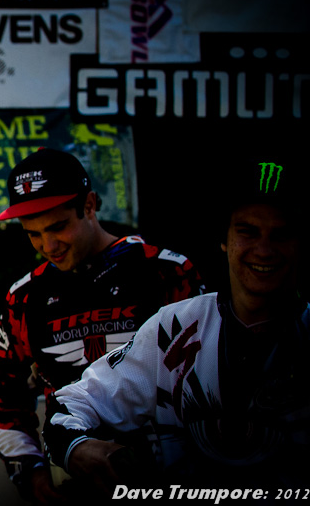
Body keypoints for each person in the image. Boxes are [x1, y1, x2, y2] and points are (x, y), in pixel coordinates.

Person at [43, 156, 309, 495]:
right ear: (224, 239)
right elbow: (69, 406)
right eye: (247, 231)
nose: (264, 249)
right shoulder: (174, 327)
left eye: (282, 234)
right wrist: (79, 448)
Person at [0, 148, 204, 503]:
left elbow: (215, 380)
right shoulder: (25, 297)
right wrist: (33, 476)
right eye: (33, 234)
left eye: (58, 226)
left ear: (89, 205)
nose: (49, 245)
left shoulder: (167, 272)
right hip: (79, 487)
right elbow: (6, 402)